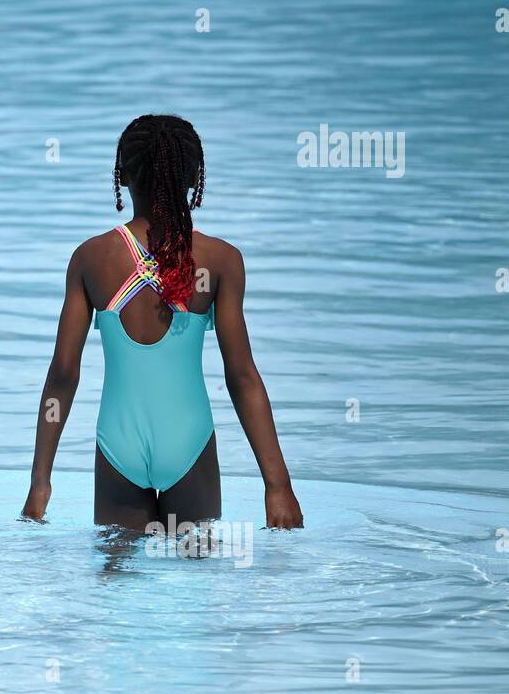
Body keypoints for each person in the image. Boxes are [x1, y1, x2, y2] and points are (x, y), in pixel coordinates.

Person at [20, 114, 304, 531]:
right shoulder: (221, 260)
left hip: (118, 448)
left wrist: (40, 480)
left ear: (123, 174)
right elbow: (241, 377)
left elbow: (63, 375)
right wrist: (277, 484)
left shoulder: (92, 258)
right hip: (189, 445)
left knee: (115, 583)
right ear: (193, 177)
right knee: (195, 582)